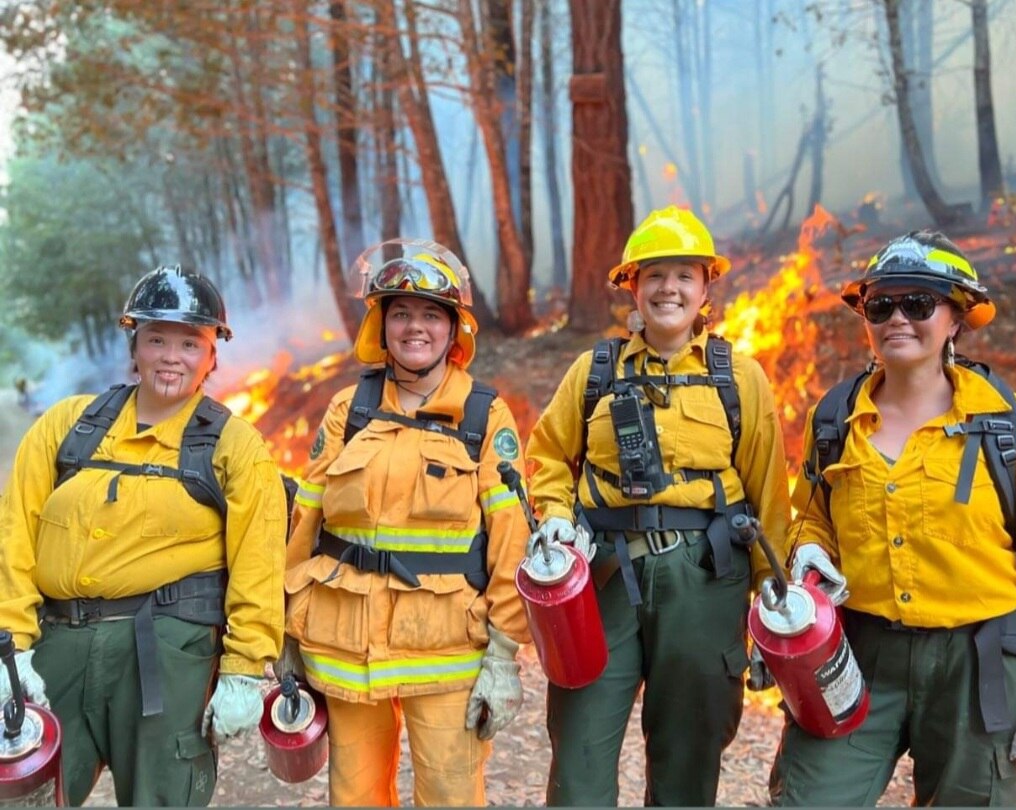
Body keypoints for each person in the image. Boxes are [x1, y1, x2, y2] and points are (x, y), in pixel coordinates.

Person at [770, 230, 1016, 806]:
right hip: (858, 654)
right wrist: (809, 552)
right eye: (881, 305)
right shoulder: (835, 418)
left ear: (956, 319)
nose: (898, 319)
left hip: (978, 664)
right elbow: (812, 518)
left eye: (919, 304)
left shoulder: (1008, 422)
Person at [525, 206, 792, 806]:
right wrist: (556, 517)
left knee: (688, 756)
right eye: (653, 275)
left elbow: (768, 495)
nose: (668, 289)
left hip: (705, 578)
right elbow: (543, 455)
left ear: (705, 290)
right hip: (603, 579)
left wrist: (773, 599)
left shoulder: (739, 378)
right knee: (579, 752)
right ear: (632, 287)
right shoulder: (593, 371)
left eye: (683, 276)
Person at [0, 265, 287, 806]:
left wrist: (245, 670)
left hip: (168, 652)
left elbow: (259, 562)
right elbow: (13, 533)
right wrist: (8, 646)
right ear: (135, 346)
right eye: (156, 339)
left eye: (189, 343)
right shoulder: (68, 424)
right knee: (22, 793)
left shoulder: (235, 447)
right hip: (56, 645)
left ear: (211, 355)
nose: (171, 356)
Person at [275, 239, 531, 807]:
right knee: (355, 795)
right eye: (402, 313)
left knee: (449, 794)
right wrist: (284, 626)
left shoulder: (485, 415)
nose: (415, 327)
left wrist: (504, 653)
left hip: (445, 648)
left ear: (454, 330)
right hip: (347, 643)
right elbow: (305, 519)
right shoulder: (349, 410)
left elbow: (512, 541)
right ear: (382, 325)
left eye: (431, 315)